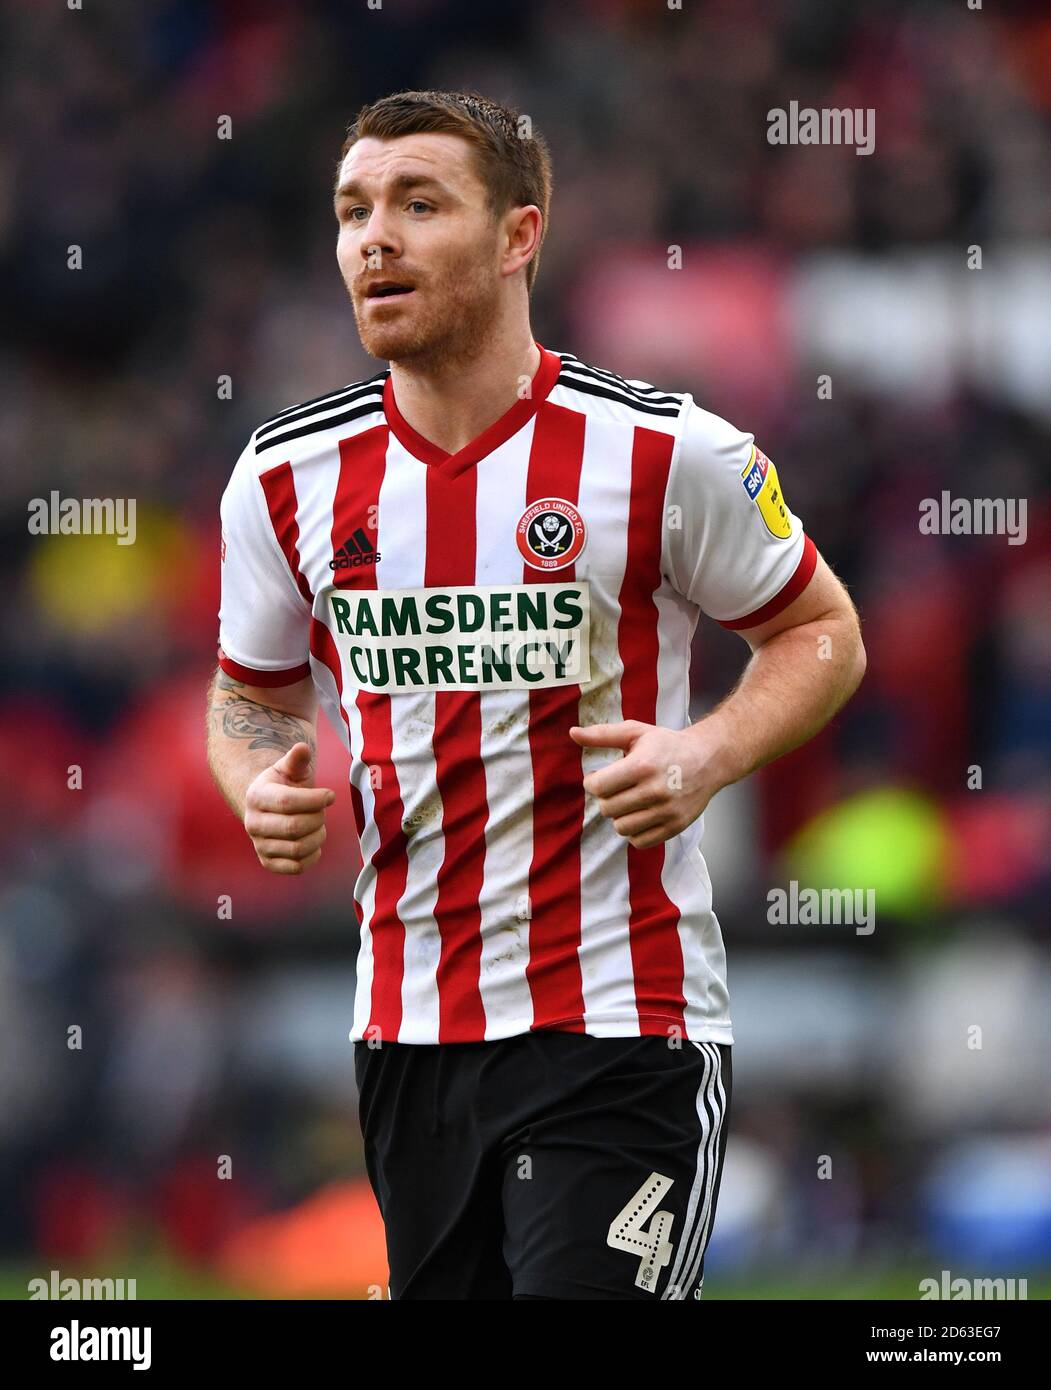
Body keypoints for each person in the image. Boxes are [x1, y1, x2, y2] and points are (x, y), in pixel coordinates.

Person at [206, 89, 866, 1300]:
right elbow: (248, 695)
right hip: (409, 1028)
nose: (375, 239)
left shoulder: (666, 453)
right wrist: (258, 780)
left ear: (519, 237)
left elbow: (822, 632)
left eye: (418, 204)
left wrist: (704, 754)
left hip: (621, 1016)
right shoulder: (284, 477)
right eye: (354, 209)